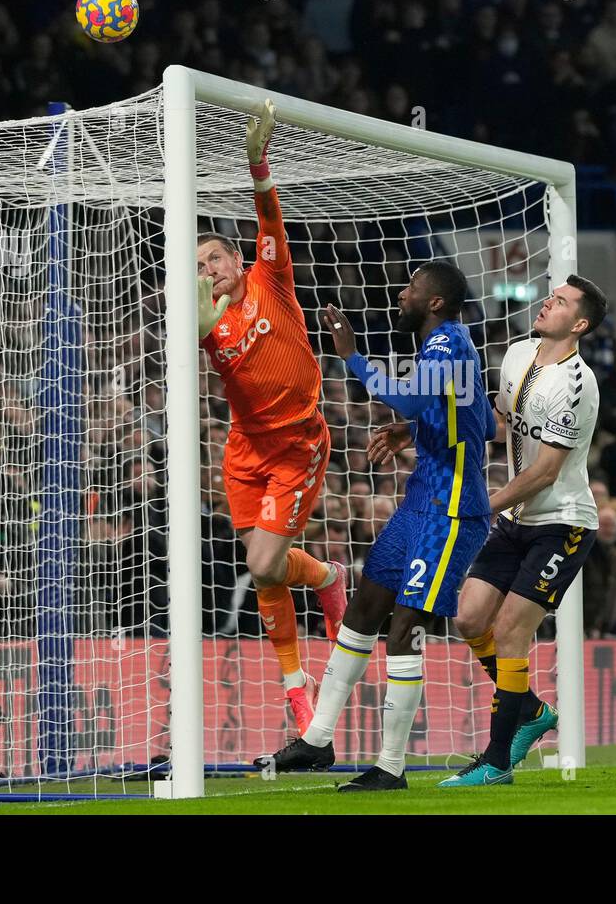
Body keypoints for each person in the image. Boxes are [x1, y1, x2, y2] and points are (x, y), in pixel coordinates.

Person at [263, 261, 496, 791]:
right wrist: (413, 431)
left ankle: (391, 766)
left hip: (452, 511)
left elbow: (416, 396)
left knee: (404, 631)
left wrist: (351, 357)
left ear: (434, 302)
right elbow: (476, 418)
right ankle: (318, 738)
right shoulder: (450, 343)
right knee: (366, 606)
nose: (400, 292)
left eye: (412, 286)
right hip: (421, 502)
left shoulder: (444, 344)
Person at [195, 100, 348, 734]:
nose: (207, 272)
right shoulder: (206, 322)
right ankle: (296, 687)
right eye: (197, 267)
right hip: (244, 449)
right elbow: (203, 324)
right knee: (262, 565)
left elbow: (268, 216)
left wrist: (258, 166)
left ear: (237, 262)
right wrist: (196, 297)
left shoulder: (271, 278)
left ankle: (329, 580)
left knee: (262, 564)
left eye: (214, 261)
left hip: (298, 443)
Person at [435, 275, 606, 787]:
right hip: (517, 519)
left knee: (511, 631)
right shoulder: (516, 355)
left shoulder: (578, 384)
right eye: (551, 296)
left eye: (561, 302)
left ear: (578, 325)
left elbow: (545, 472)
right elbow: (498, 421)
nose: (547, 301)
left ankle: (496, 762)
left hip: (563, 523)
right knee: (468, 618)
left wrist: (483, 505)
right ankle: (530, 713)